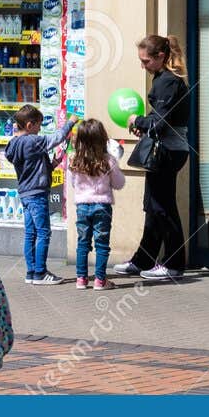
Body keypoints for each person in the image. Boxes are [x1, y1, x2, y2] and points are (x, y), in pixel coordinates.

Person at [115, 35, 191, 280]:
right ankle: (143, 259)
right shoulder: (164, 79)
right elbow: (158, 121)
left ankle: (174, 263)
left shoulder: (169, 81)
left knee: (164, 207)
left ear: (161, 57)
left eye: (146, 61)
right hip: (166, 149)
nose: (143, 66)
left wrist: (137, 121)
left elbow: (160, 120)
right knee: (153, 206)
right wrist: (145, 126)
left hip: (168, 152)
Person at [5, 105, 76, 286]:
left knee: (30, 233)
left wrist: (52, 164)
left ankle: (31, 272)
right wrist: (71, 122)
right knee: (43, 232)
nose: (40, 129)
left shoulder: (14, 143)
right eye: (39, 125)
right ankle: (40, 272)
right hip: (37, 194)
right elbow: (57, 138)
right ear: (29, 125)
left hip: (26, 193)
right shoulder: (31, 141)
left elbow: (32, 167)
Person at [68, 119, 125, 290]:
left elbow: (72, 183)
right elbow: (119, 183)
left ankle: (81, 279)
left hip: (82, 206)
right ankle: (100, 280)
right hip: (102, 206)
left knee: (83, 243)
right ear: (102, 139)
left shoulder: (74, 160)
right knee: (102, 244)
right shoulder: (108, 161)